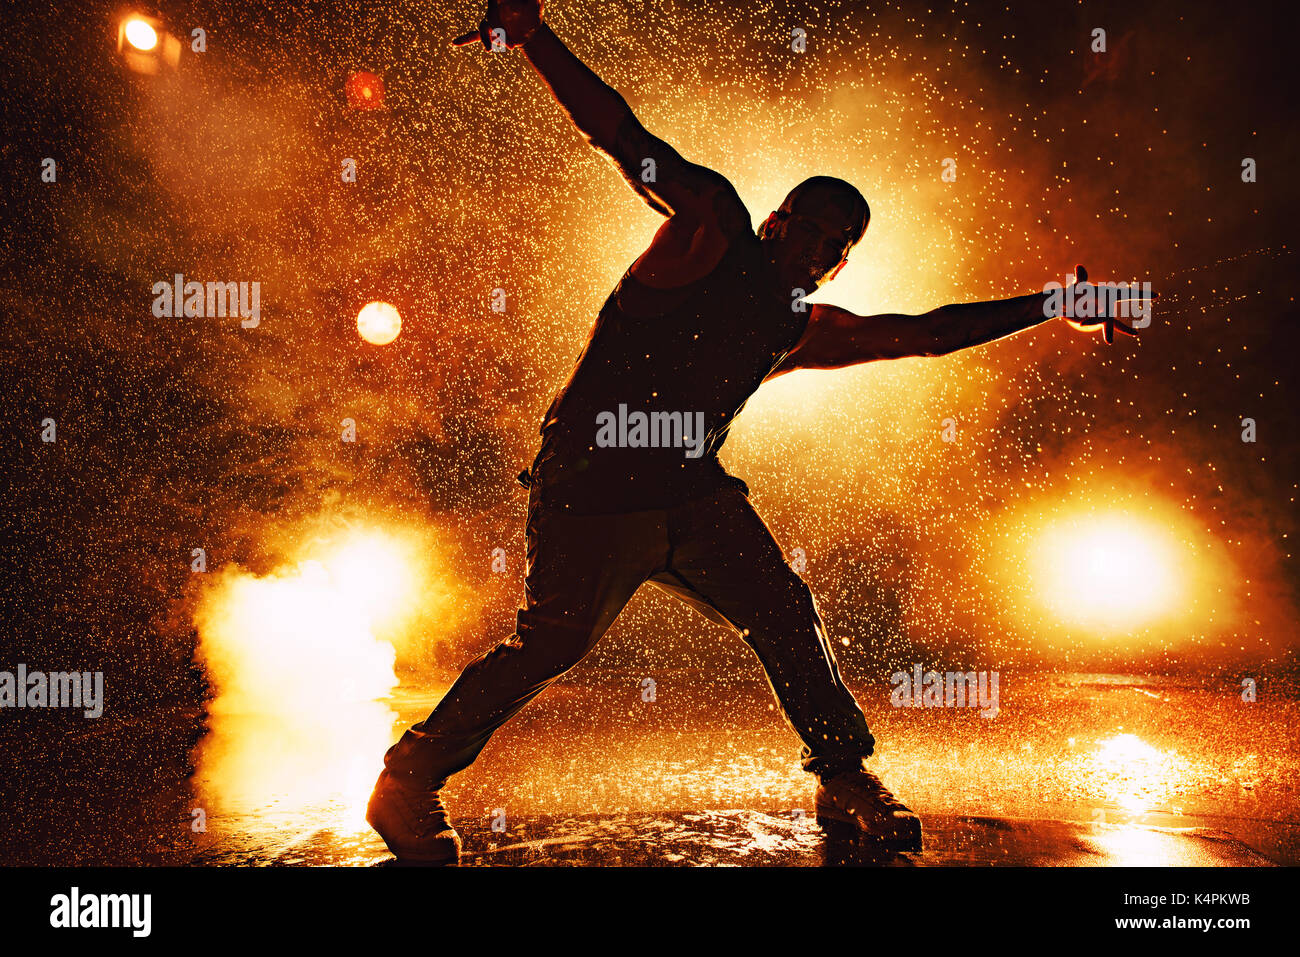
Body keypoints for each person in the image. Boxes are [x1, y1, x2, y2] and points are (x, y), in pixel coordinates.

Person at [366, 0, 1150, 864]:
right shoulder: (708, 227)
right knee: (550, 643)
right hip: (591, 484)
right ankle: (409, 778)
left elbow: (925, 331)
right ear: (774, 219)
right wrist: (533, 36)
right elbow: (622, 136)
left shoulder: (798, 326)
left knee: (784, 608)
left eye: (835, 241)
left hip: (692, 495)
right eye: (806, 221)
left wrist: (1052, 305)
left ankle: (845, 775)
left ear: (839, 261)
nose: (815, 243)